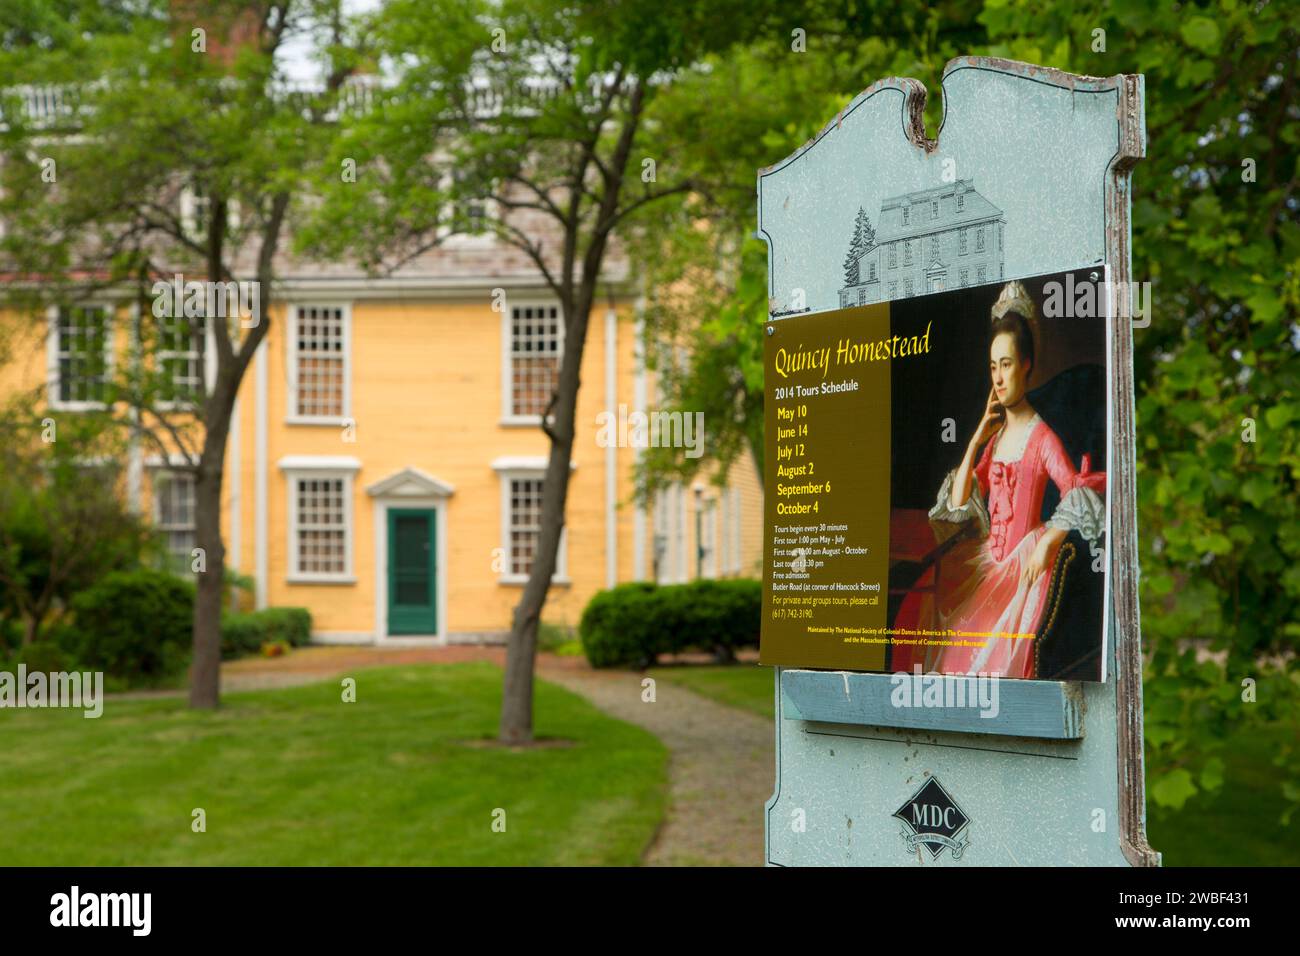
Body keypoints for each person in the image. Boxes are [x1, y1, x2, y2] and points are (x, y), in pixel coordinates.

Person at [892, 281, 1106, 679]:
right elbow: (957, 506)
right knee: (929, 616)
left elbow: (1074, 490)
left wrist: (1049, 540)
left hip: (1021, 565)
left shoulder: (1042, 436)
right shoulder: (994, 438)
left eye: (1006, 364)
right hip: (986, 564)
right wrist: (975, 440)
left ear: (1026, 364)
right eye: (993, 367)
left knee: (983, 657)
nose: (999, 378)